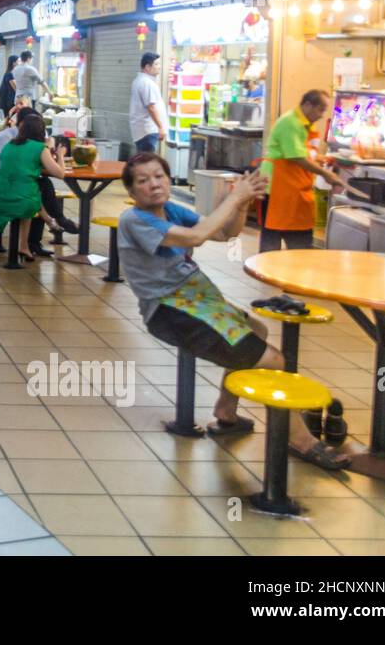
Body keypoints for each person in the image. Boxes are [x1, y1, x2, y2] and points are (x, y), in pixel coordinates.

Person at [118, 152, 348, 469]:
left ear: (169, 179)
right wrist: (235, 198)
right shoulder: (134, 220)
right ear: (132, 191)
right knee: (273, 360)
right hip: (170, 312)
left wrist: (241, 205)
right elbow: (197, 236)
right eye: (143, 181)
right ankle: (300, 440)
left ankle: (226, 412)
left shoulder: (171, 210)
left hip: (197, 301)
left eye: (159, 176)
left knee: (258, 331)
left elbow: (226, 233)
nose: (154, 184)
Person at [259, 89, 346, 252]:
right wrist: (325, 174)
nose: (322, 115)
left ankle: (298, 261)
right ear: (307, 105)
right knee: (273, 238)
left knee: (299, 235)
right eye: (320, 110)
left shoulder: (306, 124)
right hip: (278, 188)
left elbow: (303, 151)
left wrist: (320, 158)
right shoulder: (290, 123)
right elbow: (296, 157)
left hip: (296, 188)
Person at [0, 114, 66, 261]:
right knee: (31, 198)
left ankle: (26, 245)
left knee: (31, 193)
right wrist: (60, 154)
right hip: (21, 200)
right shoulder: (39, 148)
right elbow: (60, 173)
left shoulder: (10, 145)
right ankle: (31, 239)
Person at [129, 52, 167, 154]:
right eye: (156, 64)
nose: (159, 67)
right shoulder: (146, 83)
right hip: (148, 131)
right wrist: (160, 127)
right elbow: (151, 107)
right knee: (147, 160)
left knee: (143, 159)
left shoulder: (140, 80)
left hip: (144, 131)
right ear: (147, 67)